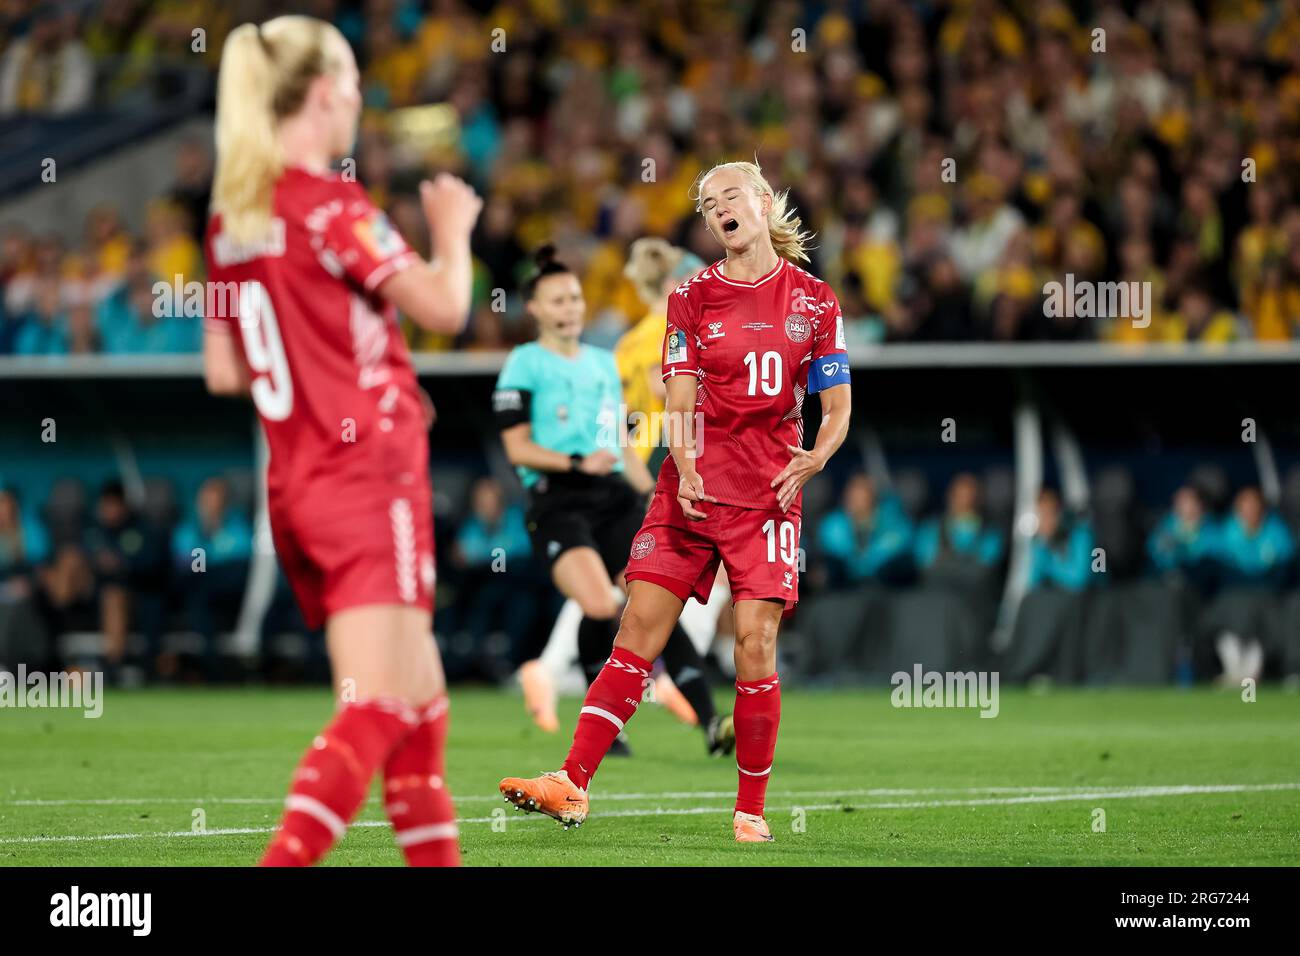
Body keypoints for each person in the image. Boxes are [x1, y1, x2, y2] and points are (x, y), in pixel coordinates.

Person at [499, 160, 852, 843]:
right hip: (689, 491)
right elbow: (680, 396)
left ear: (763, 202)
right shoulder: (690, 296)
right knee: (636, 628)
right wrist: (685, 465)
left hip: (770, 494)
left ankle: (750, 811)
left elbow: (836, 403)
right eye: (708, 202)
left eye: (731, 194)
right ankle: (571, 783)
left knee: (755, 644)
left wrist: (820, 454)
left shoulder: (815, 301)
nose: (720, 207)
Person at [202, 15, 482, 867]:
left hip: (301, 486)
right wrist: (453, 231)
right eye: (354, 77)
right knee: (380, 706)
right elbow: (444, 308)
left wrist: (352, 383)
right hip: (368, 481)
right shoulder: (333, 205)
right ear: (323, 93)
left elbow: (224, 368)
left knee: (423, 712)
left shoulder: (230, 221)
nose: (362, 92)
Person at [493, 246, 734, 756]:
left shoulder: (604, 364)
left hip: (613, 496)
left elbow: (621, 442)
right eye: (558, 300)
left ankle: (712, 724)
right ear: (535, 309)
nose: (570, 308)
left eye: (575, 298)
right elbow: (517, 447)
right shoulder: (523, 363)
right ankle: (601, 716)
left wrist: (657, 494)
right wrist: (579, 464)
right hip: (557, 500)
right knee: (601, 602)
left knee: (656, 600)